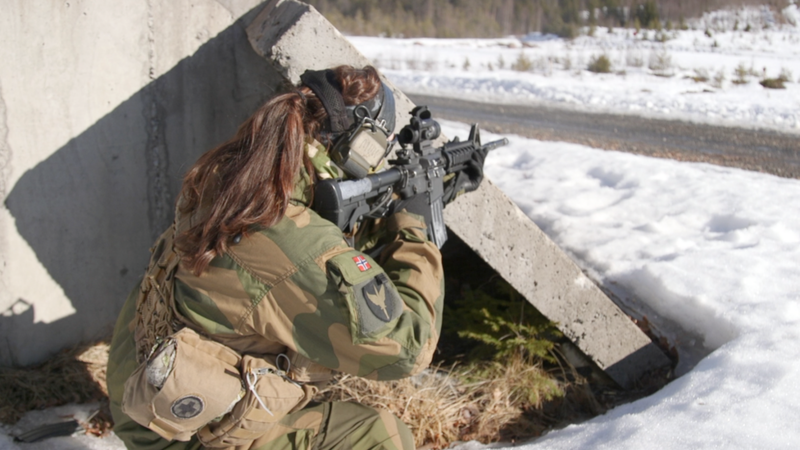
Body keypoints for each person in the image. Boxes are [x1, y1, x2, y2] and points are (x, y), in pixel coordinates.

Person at [106, 65, 444, 450]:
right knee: (380, 434)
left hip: (144, 409)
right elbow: (409, 350)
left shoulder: (233, 182)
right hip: (183, 438)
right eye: (374, 151)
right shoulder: (290, 241)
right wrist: (414, 228)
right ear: (352, 147)